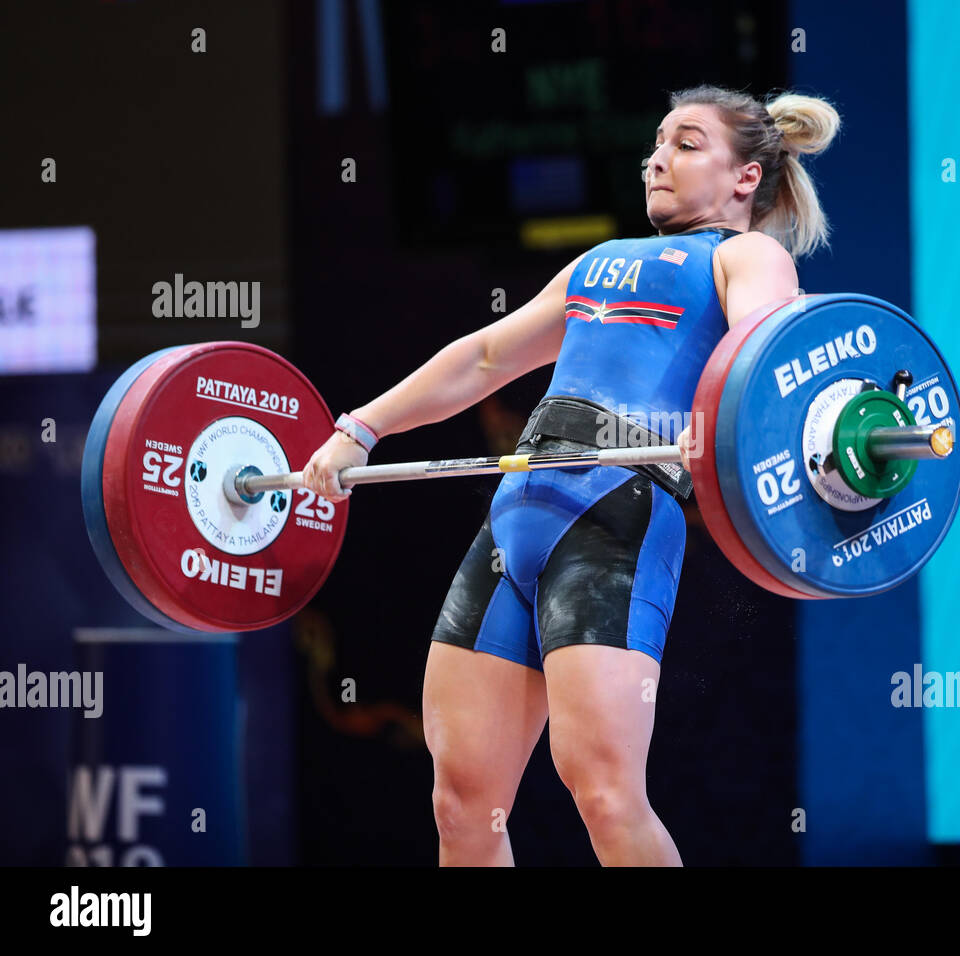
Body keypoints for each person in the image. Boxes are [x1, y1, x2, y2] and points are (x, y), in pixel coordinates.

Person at [302, 85, 840, 865]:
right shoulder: (599, 264)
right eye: (656, 141)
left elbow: (763, 365)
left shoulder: (745, 255)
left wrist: (724, 432)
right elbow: (486, 357)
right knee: (461, 805)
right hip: (515, 512)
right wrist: (361, 427)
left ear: (745, 179)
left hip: (616, 517)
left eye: (687, 144)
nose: (658, 156)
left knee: (603, 792)